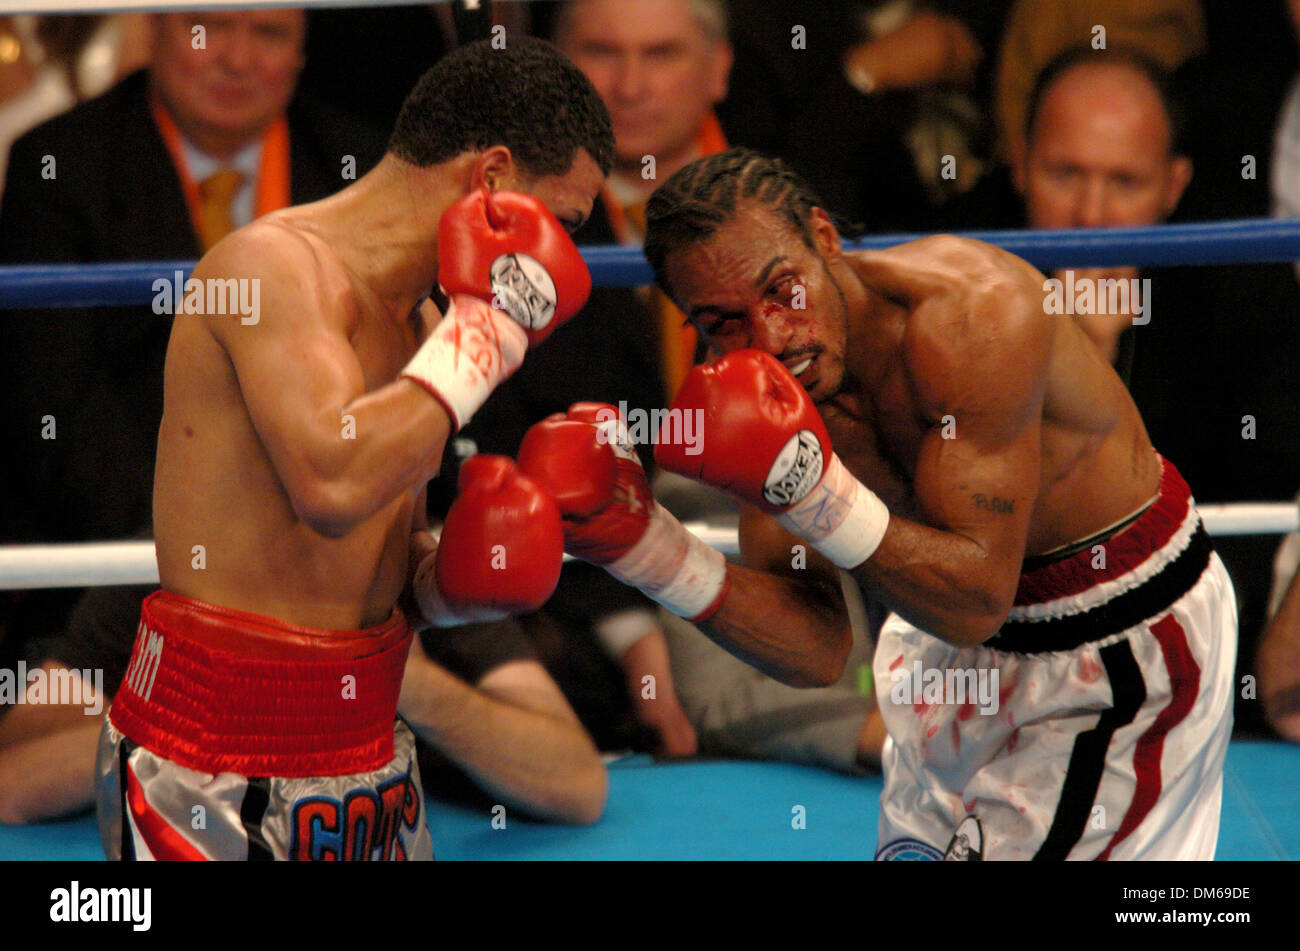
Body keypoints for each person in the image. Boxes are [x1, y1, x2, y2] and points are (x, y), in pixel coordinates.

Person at [523, 147, 1237, 860]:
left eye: (782, 290)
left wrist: (811, 490)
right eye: (725, 320)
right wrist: (647, 547)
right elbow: (815, 647)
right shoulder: (758, 393)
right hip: (946, 642)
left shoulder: (971, 315)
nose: (771, 338)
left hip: (1115, 632)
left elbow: (978, 597)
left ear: (824, 237)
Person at [92, 36, 615, 861]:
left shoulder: (430, 326)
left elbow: (375, 564)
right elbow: (333, 486)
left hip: (369, 751)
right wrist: (492, 327)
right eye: (568, 221)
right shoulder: (272, 269)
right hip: (213, 766)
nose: (566, 260)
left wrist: (455, 582)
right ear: (494, 180)